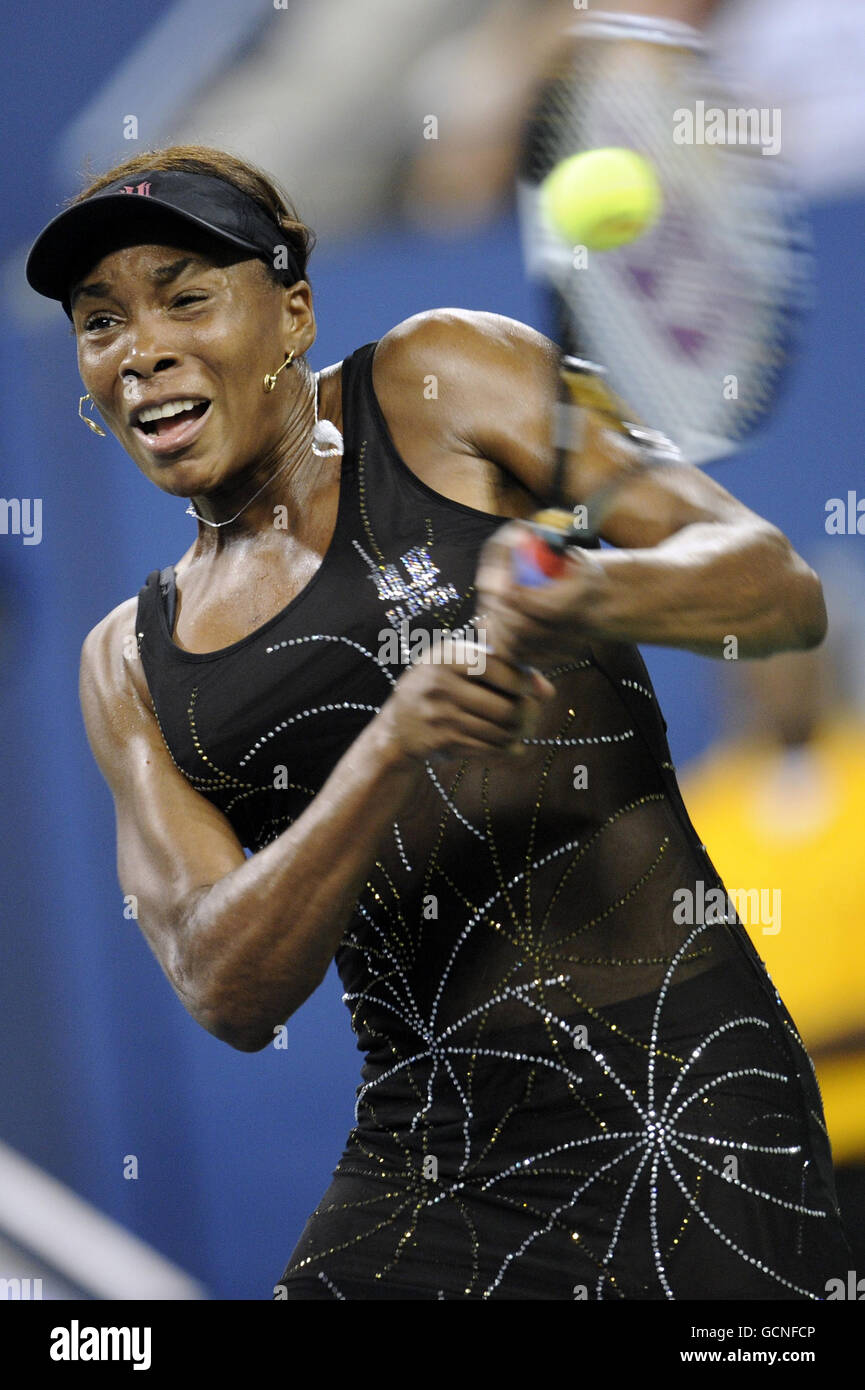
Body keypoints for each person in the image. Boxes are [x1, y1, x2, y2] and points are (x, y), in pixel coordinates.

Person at [27, 144, 851, 1300]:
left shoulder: (443, 377)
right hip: (427, 1167)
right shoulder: (128, 658)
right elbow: (226, 986)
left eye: (186, 293)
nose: (142, 347)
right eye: (100, 319)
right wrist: (391, 747)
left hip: (688, 1096)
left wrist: (594, 593)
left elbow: (775, 592)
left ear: (294, 310)